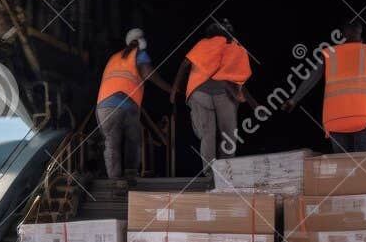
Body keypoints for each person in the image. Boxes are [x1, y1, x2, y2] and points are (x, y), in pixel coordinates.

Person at [285, 21, 366, 152]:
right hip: (362, 117)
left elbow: (310, 79)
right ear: (358, 32)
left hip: (335, 120)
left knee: (343, 165)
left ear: (342, 34)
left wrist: (294, 100)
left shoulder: (328, 54)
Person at [96, 27, 173, 180]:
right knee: (134, 139)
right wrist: (170, 89)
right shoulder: (139, 53)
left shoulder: (114, 58)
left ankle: (116, 181)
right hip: (127, 104)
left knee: (111, 143)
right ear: (142, 41)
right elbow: (148, 73)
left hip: (104, 106)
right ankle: (131, 175)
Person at [173, 19, 252, 169]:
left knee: (208, 134)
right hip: (219, 92)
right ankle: (226, 169)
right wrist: (241, 95)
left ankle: (210, 171)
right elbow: (239, 76)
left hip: (200, 91)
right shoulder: (235, 46)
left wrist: (174, 90)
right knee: (228, 133)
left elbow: (184, 65)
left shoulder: (204, 43)